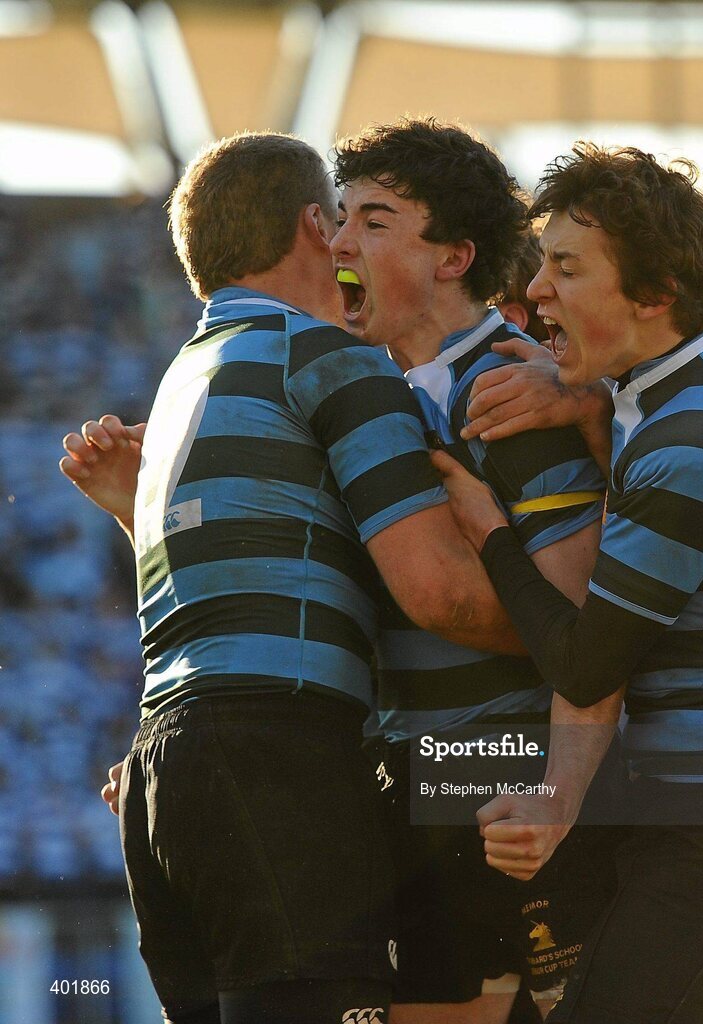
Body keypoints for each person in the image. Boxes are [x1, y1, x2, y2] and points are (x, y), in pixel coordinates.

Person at [59, 131, 528, 1024]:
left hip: (161, 779)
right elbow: (442, 596)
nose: (350, 239)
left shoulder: (185, 375)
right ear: (317, 225)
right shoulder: (329, 360)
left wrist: (131, 513)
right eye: (344, 217)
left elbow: (229, 587)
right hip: (278, 764)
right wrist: (599, 641)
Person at [432, 143, 703, 1024]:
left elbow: (582, 662)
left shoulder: (695, 439)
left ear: (652, 297)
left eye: (567, 269)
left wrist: (488, 531)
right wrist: (583, 394)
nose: (536, 291)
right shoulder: (693, 378)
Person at [330, 118, 621, 1022]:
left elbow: (582, 621)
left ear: (455, 256)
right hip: (418, 775)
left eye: (375, 221)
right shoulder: (362, 391)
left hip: (492, 775)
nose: (340, 242)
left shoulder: (504, 384)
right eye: (342, 218)